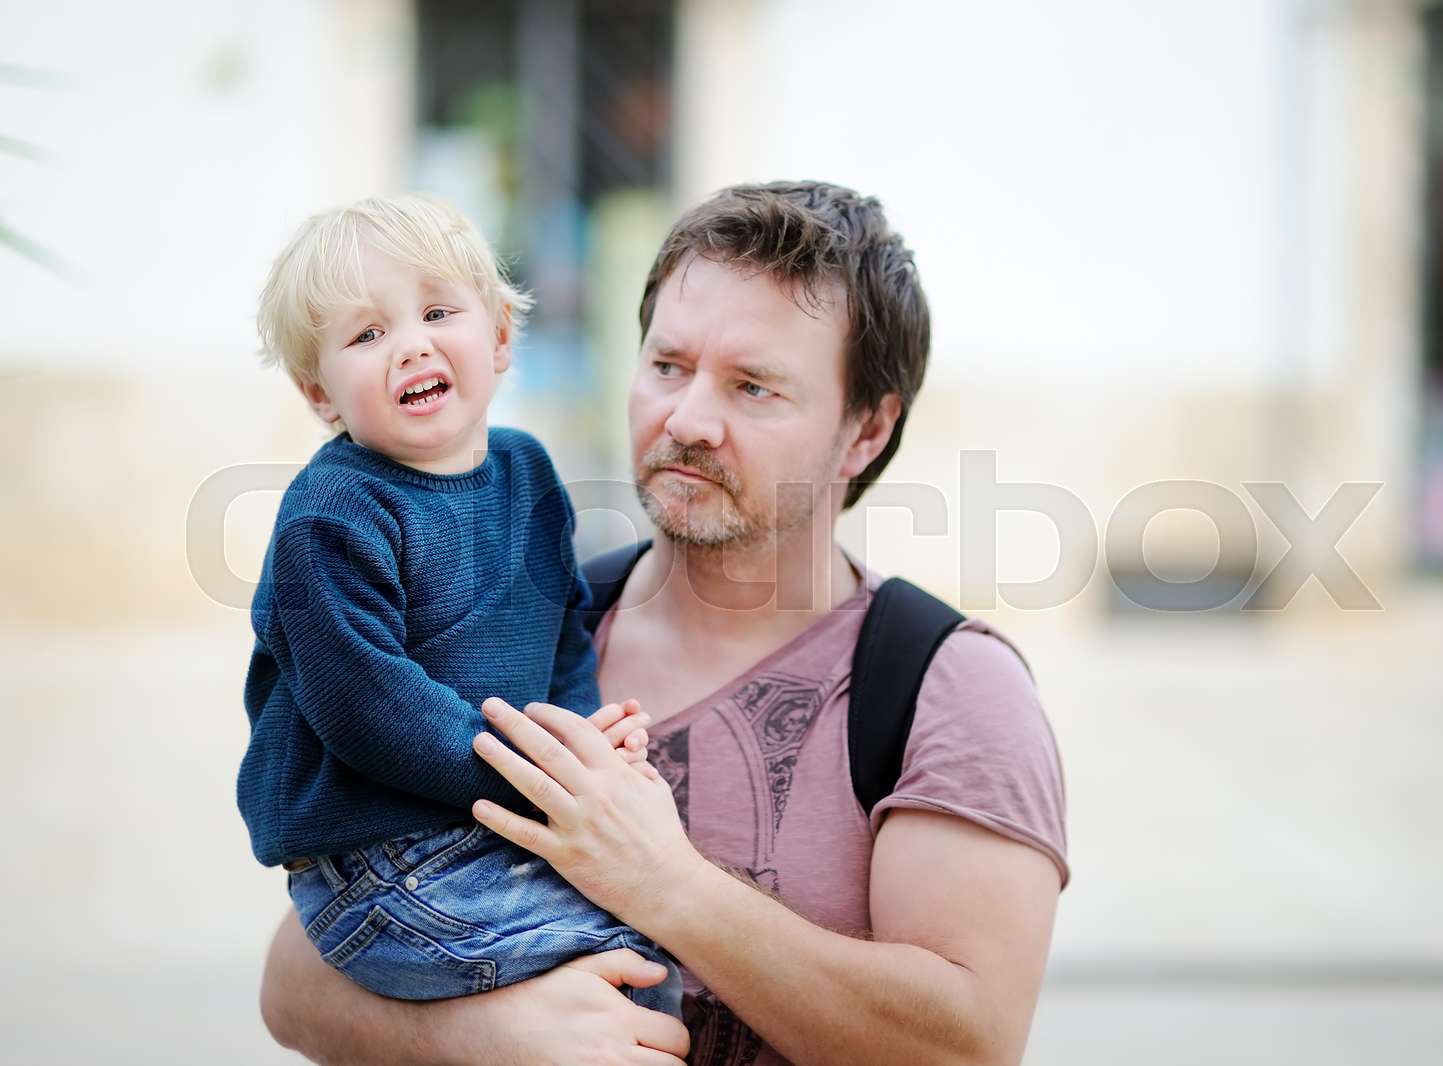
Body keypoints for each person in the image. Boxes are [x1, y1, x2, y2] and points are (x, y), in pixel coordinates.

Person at [259, 181, 1069, 1065]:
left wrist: (668, 887)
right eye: (668, 367)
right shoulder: (538, 612)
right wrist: (481, 1035)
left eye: (753, 387)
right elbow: (292, 981)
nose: (685, 421)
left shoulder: (947, 690)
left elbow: (965, 1046)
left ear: (866, 431)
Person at [240, 193, 679, 1012]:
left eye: (438, 312)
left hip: (486, 827)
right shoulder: (330, 516)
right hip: (376, 861)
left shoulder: (526, 473)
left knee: (658, 935)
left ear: (502, 339)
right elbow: (370, 707)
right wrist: (540, 778)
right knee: (627, 965)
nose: (410, 345)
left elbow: (563, 639)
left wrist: (581, 747)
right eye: (367, 335)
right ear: (320, 394)